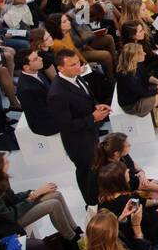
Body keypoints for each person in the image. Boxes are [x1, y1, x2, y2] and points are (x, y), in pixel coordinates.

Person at [47, 48, 111, 206]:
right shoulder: (57, 93)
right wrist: (92, 117)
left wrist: (97, 107)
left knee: (95, 169)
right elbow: (66, 125)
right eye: (73, 65)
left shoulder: (76, 77)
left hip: (90, 133)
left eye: (78, 63)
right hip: (78, 142)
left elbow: (87, 97)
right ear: (60, 68)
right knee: (86, 172)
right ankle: (91, 204)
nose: (78, 67)